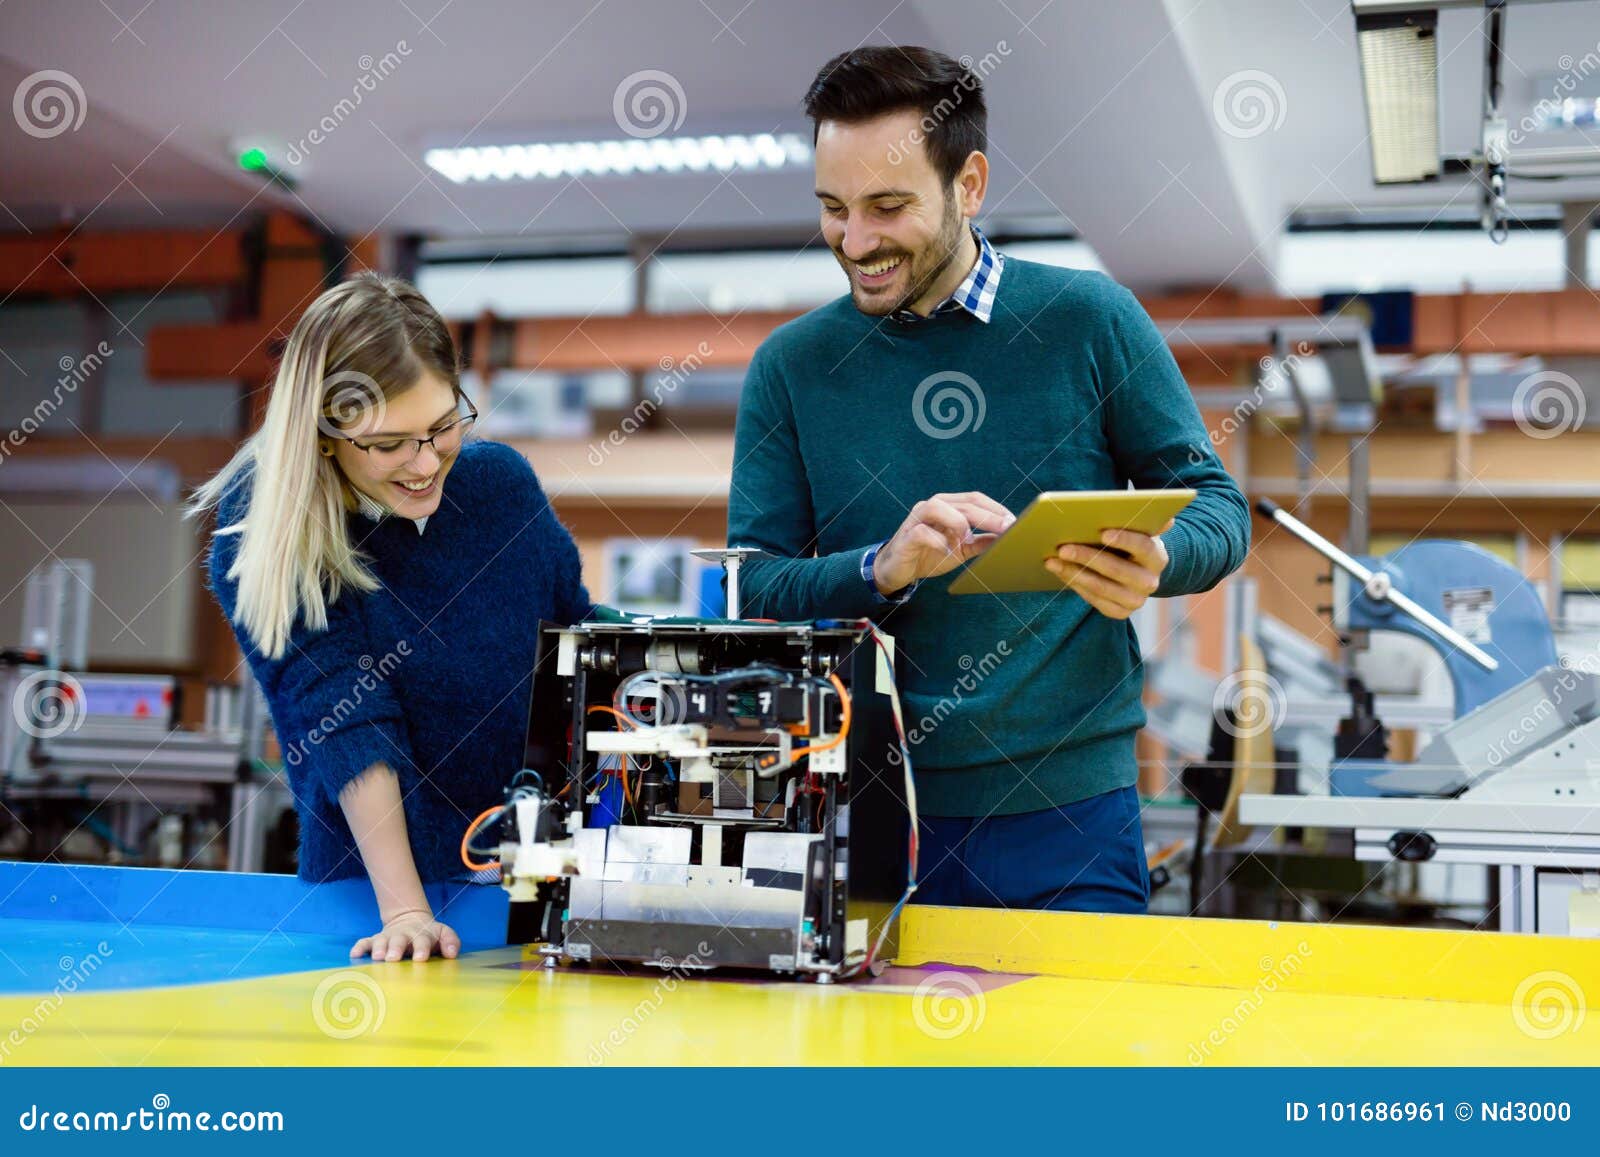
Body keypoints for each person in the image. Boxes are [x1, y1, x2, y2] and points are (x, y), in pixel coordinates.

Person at [726, 46, 1251, 914]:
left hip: (1070, 811)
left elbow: (1219, 508)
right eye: (833, 209)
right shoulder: (791, 366)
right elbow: (753, 584)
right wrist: (877, 568)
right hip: (866, 814)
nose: (855, 242)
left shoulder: (1090, 321)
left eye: (887, 207)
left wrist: (1161, 557)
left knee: (1076, 1049)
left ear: (968, 185)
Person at [189, 273, 591, 961]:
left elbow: (579, 647)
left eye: (442, 426)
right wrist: (406, 908)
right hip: (371, 909)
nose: (426, 462)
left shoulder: (500, 488)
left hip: (529, 893)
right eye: (391, 443)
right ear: (325, 436)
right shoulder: (267, 524)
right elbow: (345, 716)